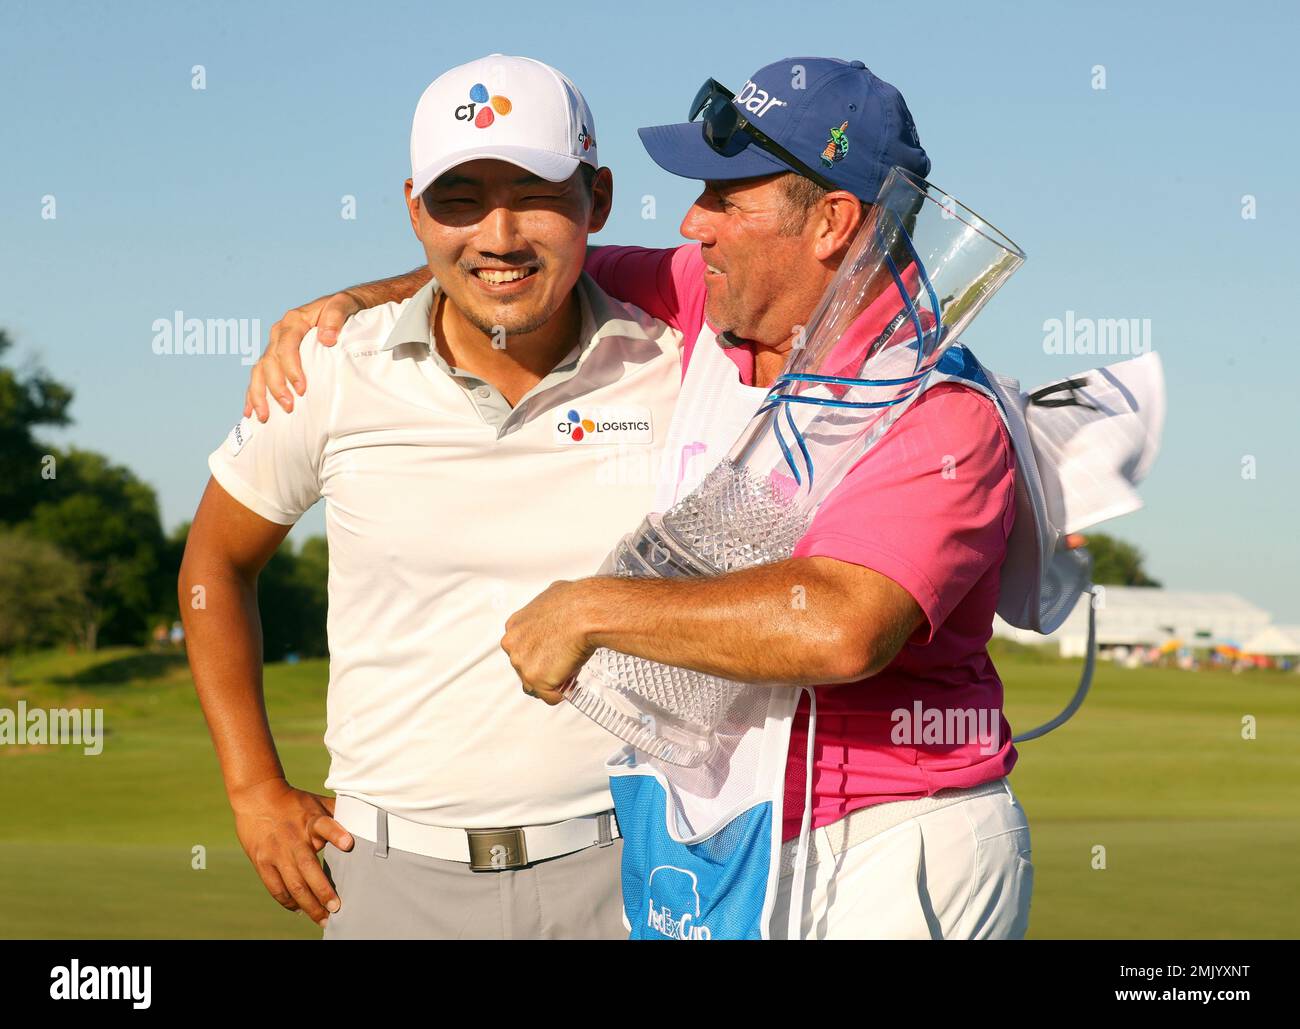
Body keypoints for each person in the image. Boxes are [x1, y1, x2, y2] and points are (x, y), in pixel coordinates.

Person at [245, 57, 1035, 939]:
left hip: (892, 841)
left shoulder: (941, 410)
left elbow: (839, 625)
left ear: (832, 223)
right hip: (746, 842)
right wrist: (359, 299)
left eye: (726, 199)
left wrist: (593, 610)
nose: (693, 223)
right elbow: (530, 268)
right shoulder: (718, 304)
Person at [179, 54, 689, 939]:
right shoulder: (332, 368)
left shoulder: (676, 365)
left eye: (535, 195)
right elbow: (214, 565)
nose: (499, 235)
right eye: (460, 200)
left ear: (598, 199)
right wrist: (254, 786)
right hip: (390, 881)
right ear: (414, 209)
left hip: (634, 870)